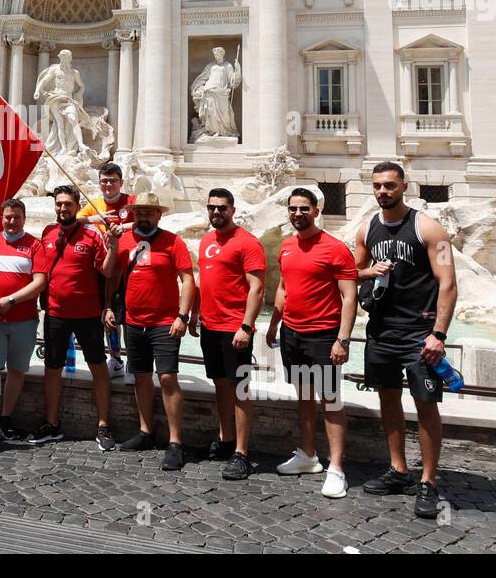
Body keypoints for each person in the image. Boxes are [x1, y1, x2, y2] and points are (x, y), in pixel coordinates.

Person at [355, 162, 458, 519]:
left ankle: (428, 480)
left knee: (426, 404)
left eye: (390, 186)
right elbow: (352, 272)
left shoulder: (428, 227)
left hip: (419, 333)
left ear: (404, 186)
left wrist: (439, 335)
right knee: (388, 400)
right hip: (382, 331)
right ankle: (398, 469)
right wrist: (369, 272)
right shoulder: (368, 227)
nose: (383, 192)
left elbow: (448, 283)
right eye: (377, 186)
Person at [266, 188, 357, 497]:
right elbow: (282, 288)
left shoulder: (335, 248)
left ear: (316, 211)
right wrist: (273, 326)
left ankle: (337, 468)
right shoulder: (287, 246)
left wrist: (342, 339)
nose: (298, 213)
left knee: (331, 400)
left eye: (304, 208)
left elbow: (349, 296)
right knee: (303, 395)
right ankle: (308, 455)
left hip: (323, 335)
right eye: (293, 208)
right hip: (292, 332)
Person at [106, 192, 195, 471]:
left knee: (168, 377)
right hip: (133, 321)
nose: (143, 217)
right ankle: (145, 432)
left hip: (164, 322)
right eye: (139, 212)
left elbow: (188, 279)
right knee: (141, 377)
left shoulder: (173, 241)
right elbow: (110, 275)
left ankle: (175, 442)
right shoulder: (124, 240)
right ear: (133, 214)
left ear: (159, 215)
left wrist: (183, 315)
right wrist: (109, 307)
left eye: (149, 212)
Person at [31, 185, 120, 450]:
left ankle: (103, 424)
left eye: (68, 203)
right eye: (58, 204)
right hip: (56, 312)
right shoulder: (48, 232)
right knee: (52, 368)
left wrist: (113, 246)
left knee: (98, 367)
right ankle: (52, 422)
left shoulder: (91, 235)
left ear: (77, 205)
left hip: (87, 313)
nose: (62, 208)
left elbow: (106, 271)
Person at [193, 188, 266, 479]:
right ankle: (226, 440)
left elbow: (257, 288)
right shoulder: (207, 240)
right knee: (221, 385)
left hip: (235, 328)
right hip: (210, 326)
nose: (216, 212)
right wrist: (196, 314)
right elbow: (205, 281)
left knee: (240, 389)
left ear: (233, 210)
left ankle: (242, 453)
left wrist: (246, 326)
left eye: (222, 208)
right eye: (211, 207)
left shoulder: (247, 243)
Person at [0, 198, 48, 440]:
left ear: (24, 218)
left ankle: (5, 416)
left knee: (17, 370)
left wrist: (10, 301)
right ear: (2, 218)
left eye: (16, 217)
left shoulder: (35, 245)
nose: (12, 221)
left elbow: (40, 282)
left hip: (24, 320)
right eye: (8, 217)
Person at [78, 162, 134, 375]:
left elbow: (145, 220)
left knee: (128, 317)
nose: (108, 185)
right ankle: (116, 358)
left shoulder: (131, 201)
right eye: (104, 181)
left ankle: (133, 361)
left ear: (120, 182)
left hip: (127, 265)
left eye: (112, 181)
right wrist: (92, 218)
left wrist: (123, 226)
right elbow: (75, 220)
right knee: (109, 316)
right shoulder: (95, 203)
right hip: (104, 265)